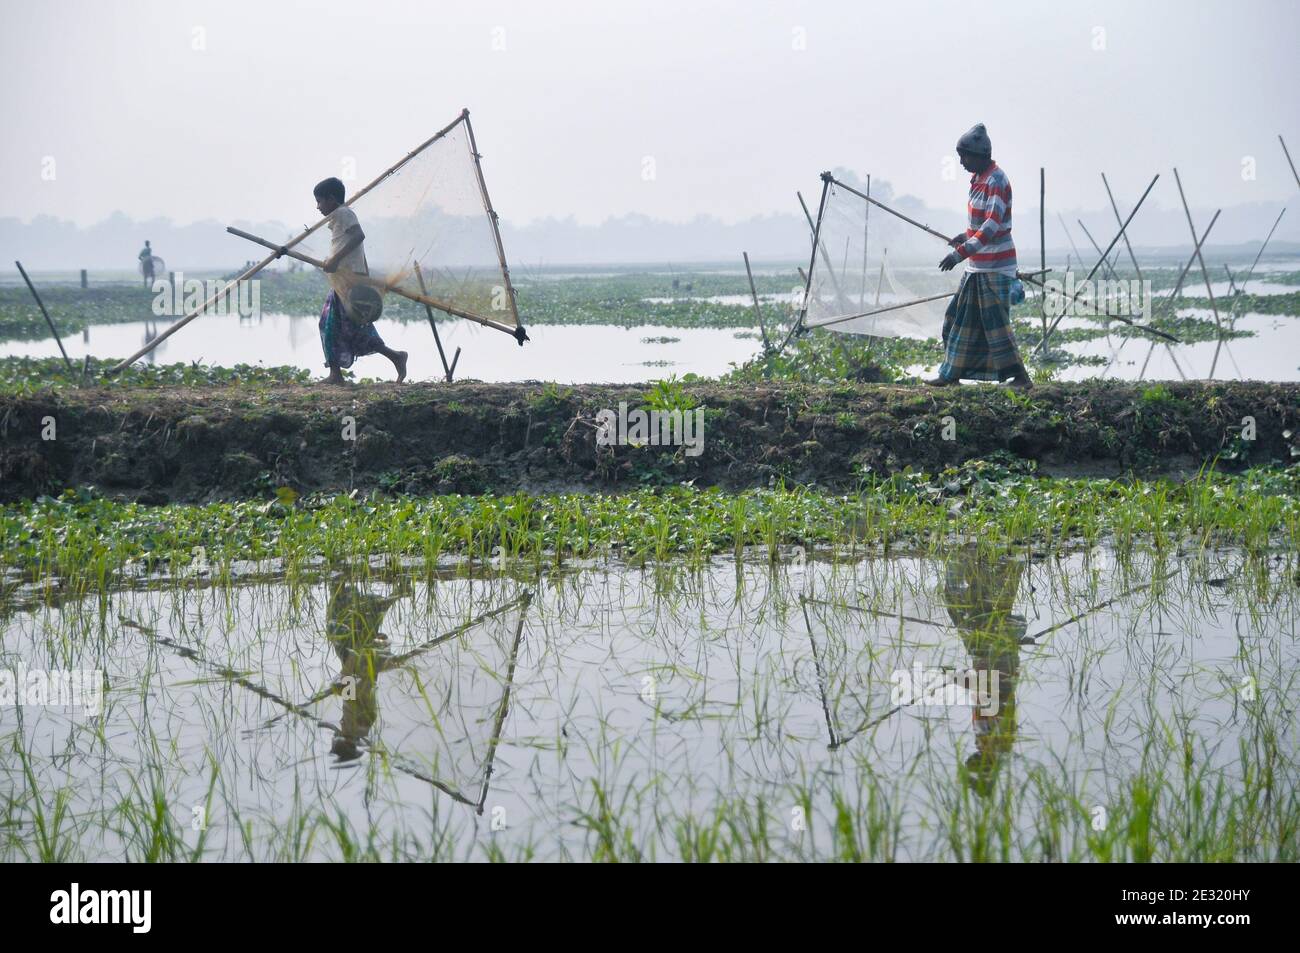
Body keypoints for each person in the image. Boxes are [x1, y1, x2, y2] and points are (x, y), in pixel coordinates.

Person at [928, 124, 1033, 390]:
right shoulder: (978, 180)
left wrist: (959, 253)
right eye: (960, 156)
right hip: (978, 266)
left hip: (996, 266)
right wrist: (965, 236)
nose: (961, 162)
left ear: (980, 155)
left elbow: (992, 225)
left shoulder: (996, 180)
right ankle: (950, 373)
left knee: (996, 325)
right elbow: (979, 225)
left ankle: (1021, 378)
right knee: (956, 318)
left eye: (965, 156)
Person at [304, 177, 407, 385]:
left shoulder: (343, 213)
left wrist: (334, 259)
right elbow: (357, 249)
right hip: (344, 282)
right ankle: (395, 356)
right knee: (353, 327)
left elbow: (358, 236)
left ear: (332, 199)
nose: (318, 207)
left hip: (348, 283)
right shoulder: (338, 217)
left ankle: (335, 374)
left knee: (329, 323)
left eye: (320, 201)